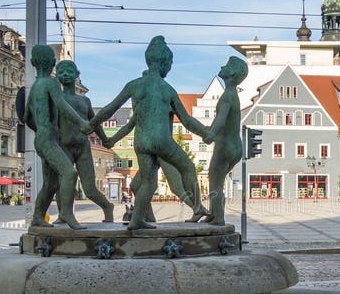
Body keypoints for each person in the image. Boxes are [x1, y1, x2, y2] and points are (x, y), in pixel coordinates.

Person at [91, 36, 210, 229]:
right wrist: (206, 133)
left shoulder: (134, 85)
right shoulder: (167, 89)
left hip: (141, 142)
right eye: (170, 64)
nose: (170, 68)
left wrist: (92, 124)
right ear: (164, 63)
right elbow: (187, 120)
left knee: (147, 183)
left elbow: (109, 110)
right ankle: (198, 206)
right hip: (162, 141)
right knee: (187, 167)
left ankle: (137, 220)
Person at [23, 44, 92, 230]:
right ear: (54, 63)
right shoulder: (52, 83)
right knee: (70, 173)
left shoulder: (36, 85)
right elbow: (62, 105)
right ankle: (67, 214)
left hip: (42, 138)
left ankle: (38, 217)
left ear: (32, 63)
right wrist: (81, 123)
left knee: (51, 183)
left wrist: (40, 129)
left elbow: (26, 116)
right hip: (49, 140)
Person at [54, 60, 115, 223]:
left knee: (89, 189)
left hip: (82, 147)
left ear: (76, 75)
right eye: (61, 72)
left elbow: (94, 122)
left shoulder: (84, 101)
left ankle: (107, 207)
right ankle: (63, 214)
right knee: (62, 183)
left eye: (69, 71)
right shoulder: (56, 99)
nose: (65, 74)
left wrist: (105, 140)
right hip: (63, 146)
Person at [202, 55, 248, 225]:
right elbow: (221, 120)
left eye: (227, 65)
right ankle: (214, 214)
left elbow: (221, 119)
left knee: (214, 181)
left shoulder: (228, 95)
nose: (223, 66)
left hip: (225, 146)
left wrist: (211, 134)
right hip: (235, 146)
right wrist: (209, 129)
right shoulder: (231, 94)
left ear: (232, 73)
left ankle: (218, 218)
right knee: (217, 182)